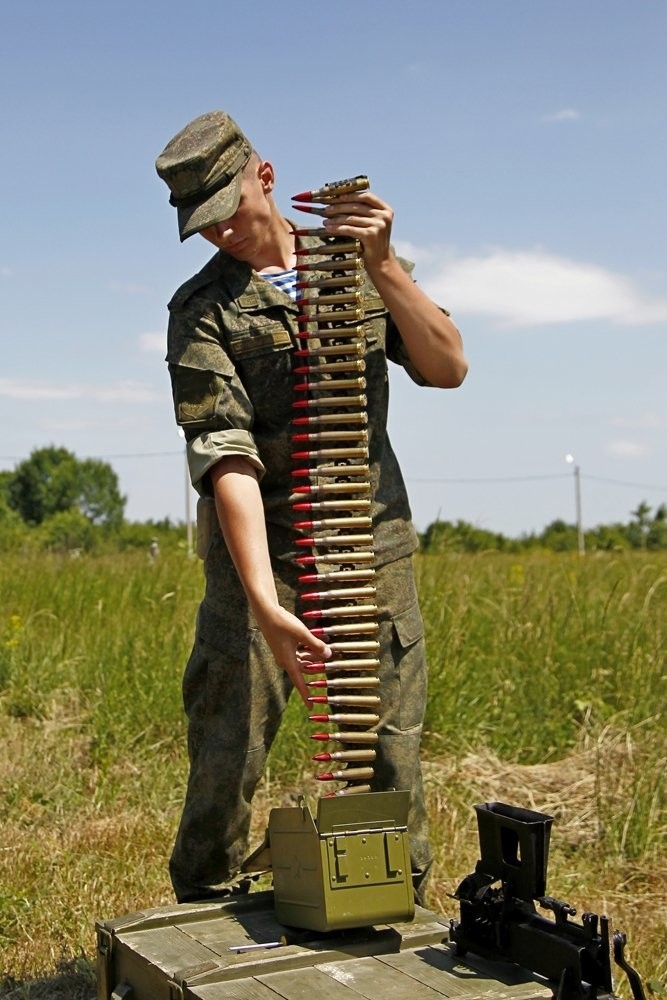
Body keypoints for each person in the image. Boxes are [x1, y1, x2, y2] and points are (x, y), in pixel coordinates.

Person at [155, 110, 467, 906]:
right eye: (205, 225)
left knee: (386, 761)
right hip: (264, 559)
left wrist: (386, 266)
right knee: (225, 760)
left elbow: (447, 366)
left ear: (265, 176)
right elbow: (225, 454)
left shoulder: (352, 268)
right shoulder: (201, 309)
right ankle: (193, 939)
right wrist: (263, 602)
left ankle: (390, 922)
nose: (222, 233)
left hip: (369, 552)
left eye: (230, 210)